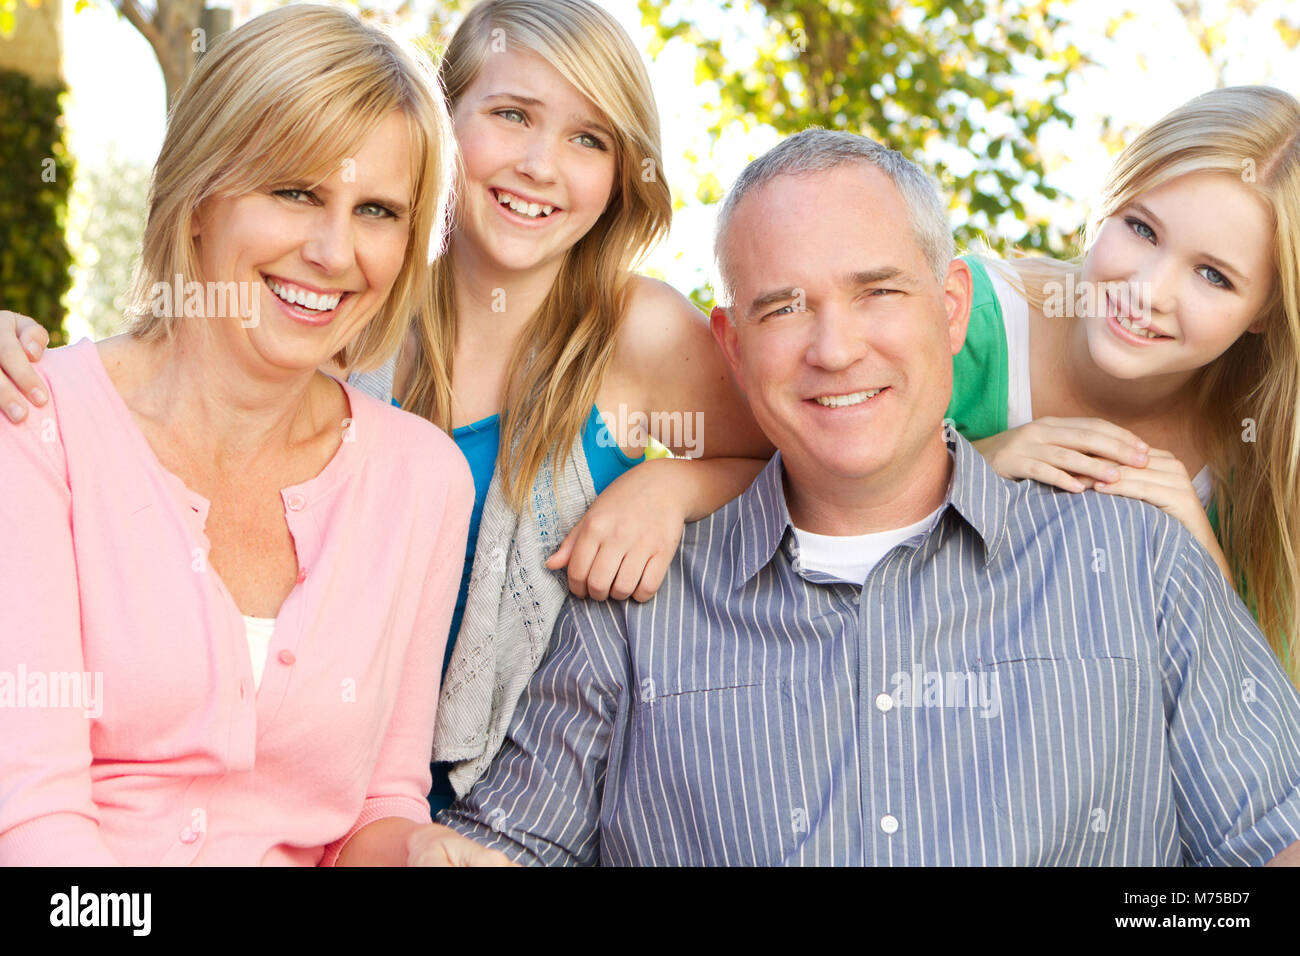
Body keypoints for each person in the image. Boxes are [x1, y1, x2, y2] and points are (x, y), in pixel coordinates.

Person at [409, 129, 1300, 866]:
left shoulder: (1139, 561)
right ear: (730, 347)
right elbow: (511, 846)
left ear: (953, 311)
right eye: (785, 307)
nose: (834, 349)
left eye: (878, 292)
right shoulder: (638, 598)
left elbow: (1271, 843)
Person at [0, 0, 772, 815]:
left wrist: (671, 488)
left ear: (621, 174)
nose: (543, 164)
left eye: (590, 139)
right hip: (323, 787)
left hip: (531, 796)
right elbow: (172, 387)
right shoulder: (337, 302)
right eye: (512, 115)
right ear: (441, 126)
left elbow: (787, 461)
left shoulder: (641, 334)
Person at [0, 5, 475, 865]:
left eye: (377, 210)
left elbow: (378, 802)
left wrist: (425, 852)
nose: (334, 251)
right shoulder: (33, 422)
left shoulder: (424, 481)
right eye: (295, 192)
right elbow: (31, 821)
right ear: (196, 199)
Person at [948, 87, 1300, 686]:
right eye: (1141, 228)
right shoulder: (964, 325)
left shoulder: (1266, 461)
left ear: (1264, 312)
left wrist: (1200, 563)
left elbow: (1268, 726)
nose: (1148, 291)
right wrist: (962, 473)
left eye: (1213, 275)